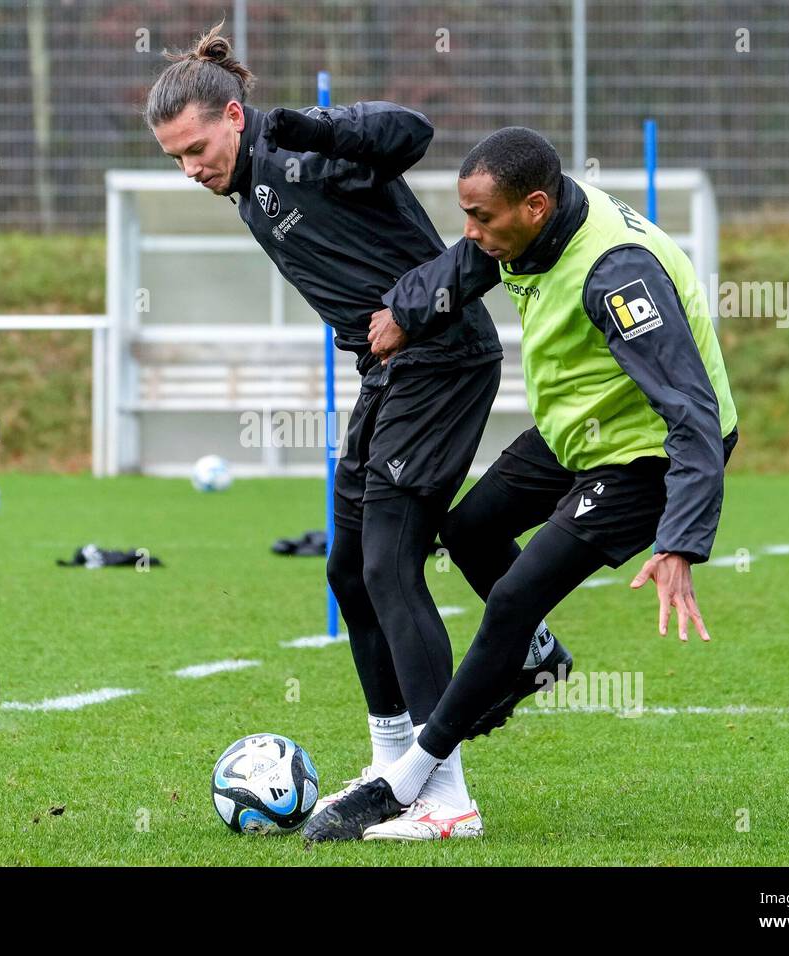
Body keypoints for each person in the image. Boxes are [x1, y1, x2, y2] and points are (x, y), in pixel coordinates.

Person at [144, 24, 570, 836]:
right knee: (348, 571)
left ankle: (444, 798)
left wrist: (318, 125)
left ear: (234, 116)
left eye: (196, 146)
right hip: (387, 377)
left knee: (389, 565)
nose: (191, 168)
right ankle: (396, 755)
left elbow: (410, 131)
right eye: (175, 159)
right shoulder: (245, 183)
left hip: (441, 362)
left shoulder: (299, 148)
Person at [303, 126, 739, 842]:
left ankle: (413, 785)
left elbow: (690, 412)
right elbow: (461, 267)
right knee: (469, 531)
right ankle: (535, 659)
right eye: (466, 213)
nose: (471, 230)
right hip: (583, 428)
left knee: (512, 598)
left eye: (483, 217)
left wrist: (682, 541)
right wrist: (404, 317)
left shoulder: (616, 276)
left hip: (649, 455)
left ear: (535, 204)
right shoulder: (529, 228)